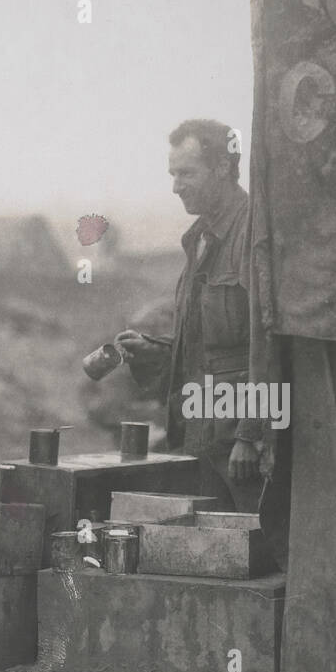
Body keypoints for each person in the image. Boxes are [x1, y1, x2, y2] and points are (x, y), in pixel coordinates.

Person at [115, 119, 271, 513]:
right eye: (172, 174)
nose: (175, 186)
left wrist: (251, 435)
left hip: (240, 450)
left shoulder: (255, 234)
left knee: (257, 553)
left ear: (222, 167)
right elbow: (207, 349)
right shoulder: (200, 240)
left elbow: (270, 341)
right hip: (200, 438)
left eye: (186, 173)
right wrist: (154, 352)